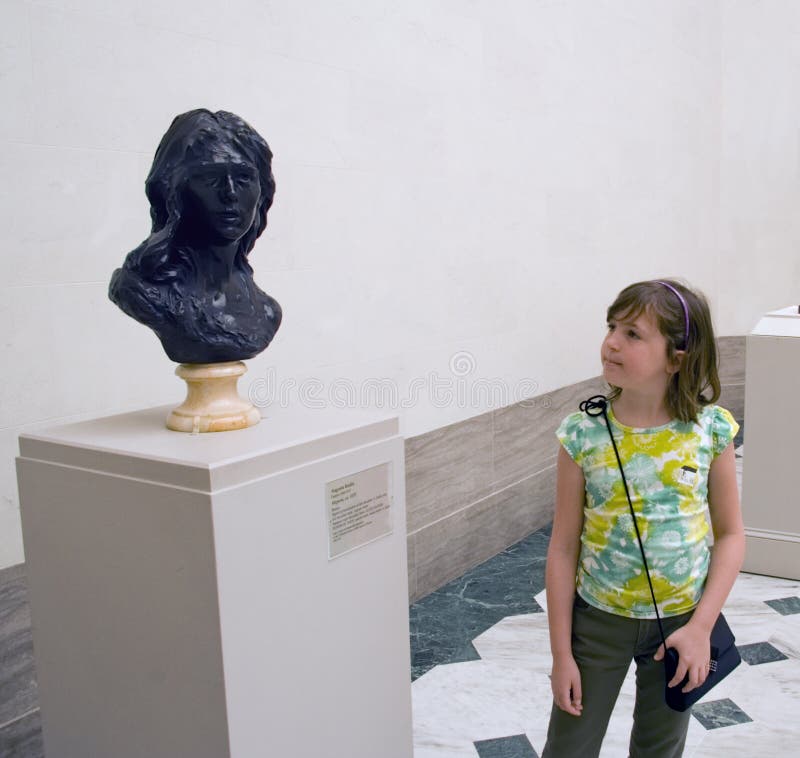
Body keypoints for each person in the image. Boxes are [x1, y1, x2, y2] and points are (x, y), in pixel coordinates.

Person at [542, 279, 745, 757]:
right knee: (569, 747)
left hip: (681, 620)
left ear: (677, 357)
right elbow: (563, 546)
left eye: (633, 334)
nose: (611, 342)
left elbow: (732, 535)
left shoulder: (709, 430)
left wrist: (701, 627)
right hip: (598, 623)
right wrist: (561, 655)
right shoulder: (582, 434)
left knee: (660, 748)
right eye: (612, 327)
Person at [109, 109, 282, 364]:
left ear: (263, 192)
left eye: (244, 178)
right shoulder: (144, 290)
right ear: (173, 190)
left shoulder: (266, 311)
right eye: (210, 178)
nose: (230, 194)